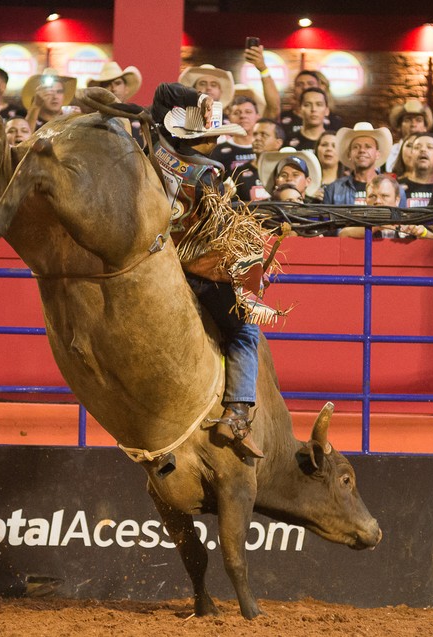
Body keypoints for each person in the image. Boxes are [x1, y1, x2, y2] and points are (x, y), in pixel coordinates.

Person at [149, 81, 265, 458]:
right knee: (245, 330)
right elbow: (220, 229)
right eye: (213, 135)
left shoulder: (157, 153)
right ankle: (237, 411)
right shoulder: (208, 175)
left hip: (160, 260)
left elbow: (164, 93)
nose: (216, 142)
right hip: (198, 271)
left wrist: (181, 107)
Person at [324, 122, 393, 206]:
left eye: (368, 146)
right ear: (349, 154)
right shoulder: (333, 189)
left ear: (377, 154)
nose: (362, 150)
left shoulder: (393, 188)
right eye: (356, 147)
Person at [384, 98, 433, 179]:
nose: (413, 124)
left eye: (418, 120)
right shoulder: (387, 153)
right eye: (408, 120)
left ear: (425, 127)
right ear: (400, 126)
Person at [278, 70, 343, 140]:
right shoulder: (281, 118)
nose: (305, 87)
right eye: (300, 84)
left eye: (310, 84)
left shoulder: (334, 121)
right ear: (294, 89)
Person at [232, 118, 285, 202]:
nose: (257, 138)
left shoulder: (286, 171)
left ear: (278, 143)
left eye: (264, 135)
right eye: (255, 134)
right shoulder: (239, 172)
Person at [258, 147, 322, 201]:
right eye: (283, 175)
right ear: (276, 181)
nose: (289, 178)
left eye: (295, 175)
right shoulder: (263, 209)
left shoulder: (319, 207)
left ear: (307, 181)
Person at [399, 133, 433, 208]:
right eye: (417, 147)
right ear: (411, 156)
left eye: (430, 147)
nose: (423, 150)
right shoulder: (397, 187)